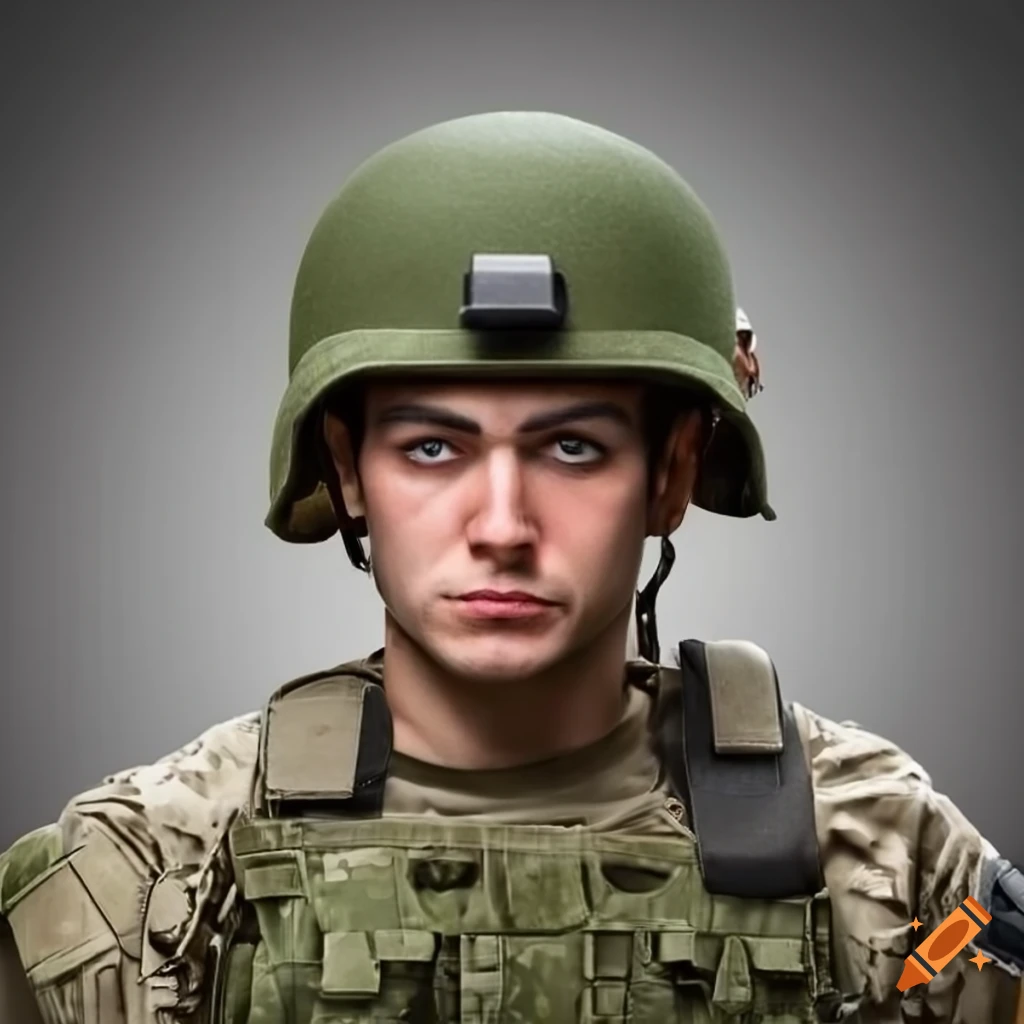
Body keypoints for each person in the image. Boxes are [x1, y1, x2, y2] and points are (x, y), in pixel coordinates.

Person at [1, 111, 1020, 1024]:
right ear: (347, 469)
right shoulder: (150, 882)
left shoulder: (878, 859)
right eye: (432, 449)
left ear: (670, 475)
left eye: (572, 447)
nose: (501, 524)